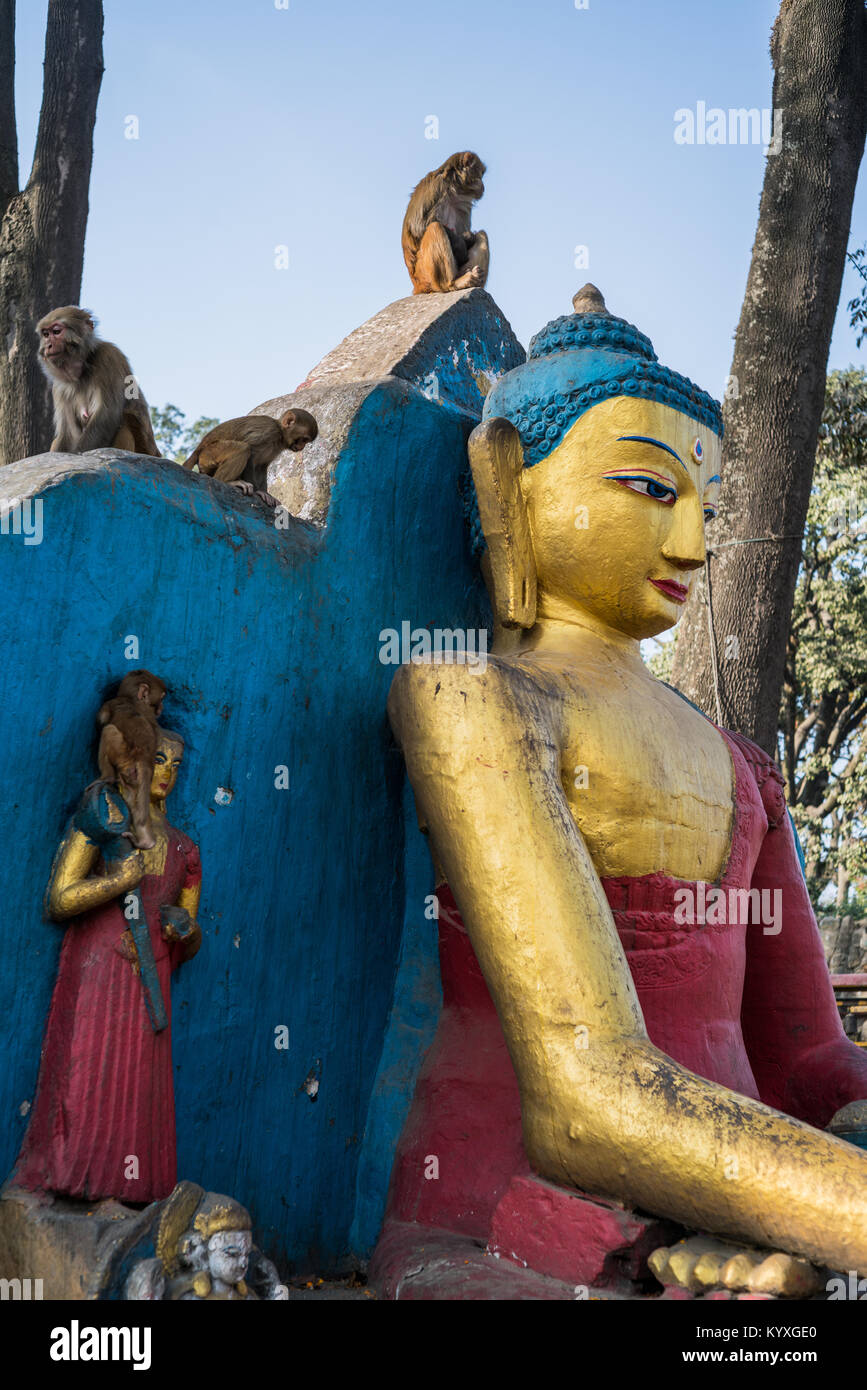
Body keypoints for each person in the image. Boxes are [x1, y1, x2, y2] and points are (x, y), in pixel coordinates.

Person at [380, 287, 867, 1283]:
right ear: (507, 473)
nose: (691, 543)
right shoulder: (473, 696)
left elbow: (809, 1066)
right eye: (650, 489)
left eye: (708, 507)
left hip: (743, 1205)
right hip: (502, 1215)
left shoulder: (741, 767)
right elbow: (585, 1096)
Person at [13, 727, 201, 1203]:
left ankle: (134, 1190)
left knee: (139, 1087)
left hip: (149, 976)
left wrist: (186, 930)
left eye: (176, 765)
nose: (167, 773)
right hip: (98, 968)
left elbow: (190, 931)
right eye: (158, 759)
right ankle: (75, 1181)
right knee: (88, 1075)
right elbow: (60, 897)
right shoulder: (105, 818)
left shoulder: (183, 849)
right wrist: (119, 881)